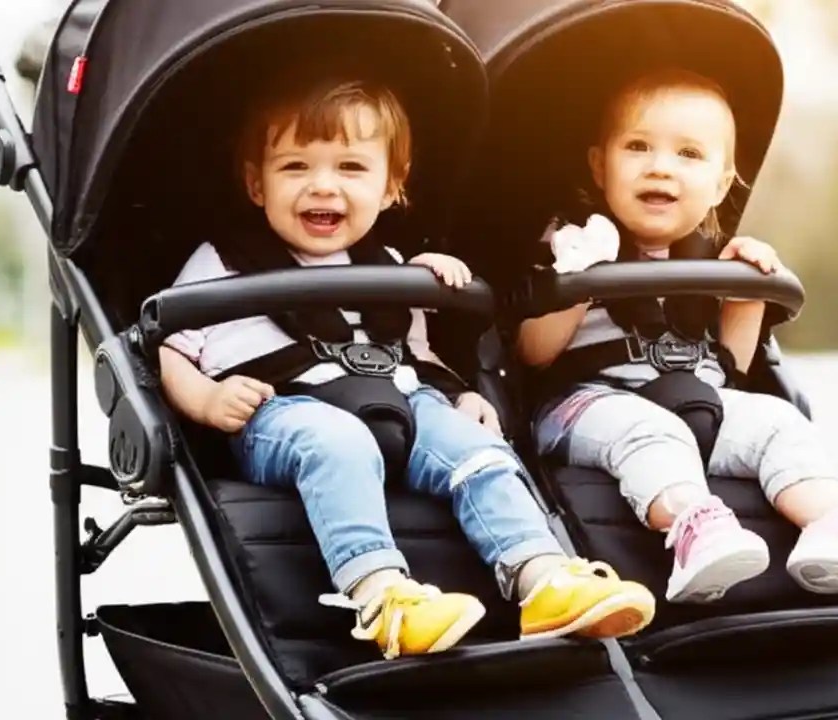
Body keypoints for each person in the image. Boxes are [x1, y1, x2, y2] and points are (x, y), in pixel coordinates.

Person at [158, 73, 655, 659]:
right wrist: (207, 402)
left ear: (392, 186)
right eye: (295, 167)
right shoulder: (222, 260)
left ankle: (542, 575)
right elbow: (170, 347)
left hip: (398, 400)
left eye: (350, 168)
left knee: (481, 452)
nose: (323, 187)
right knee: (337, 443)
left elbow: (413, 355)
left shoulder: (392, 266)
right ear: (256, 183)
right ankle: (382, 596)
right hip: (282, 412)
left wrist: (457, 394)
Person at [518, 68, 838, 604]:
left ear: (722, 183)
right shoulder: (573, 240)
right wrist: (576, 279)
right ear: (601, 165)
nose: (660, 167)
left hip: (699, 397)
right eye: (638, 146)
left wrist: (746, 292)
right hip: (589, 405)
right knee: (653, 434)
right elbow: (534, 354)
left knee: (777, 420)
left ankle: (834, 524)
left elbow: (732, 368)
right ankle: (694, 527)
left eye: (688, 155)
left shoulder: (715, 259)